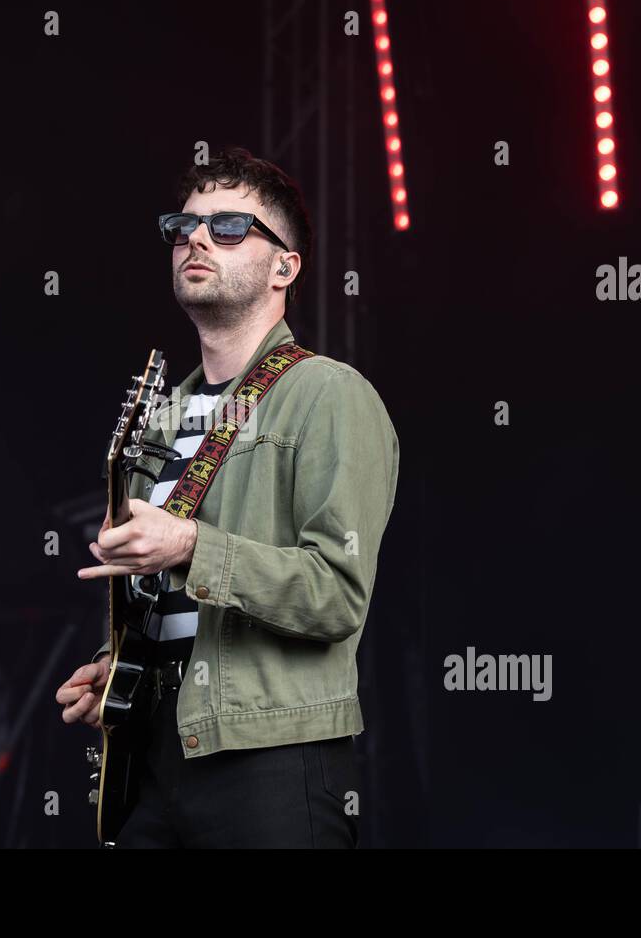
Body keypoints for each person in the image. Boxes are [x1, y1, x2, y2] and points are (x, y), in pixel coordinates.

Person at [55, 145, 399, 847]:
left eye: (232, 226)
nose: (197, 238)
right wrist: (118, 668)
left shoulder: (328, 394)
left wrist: (188, 545)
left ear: (285, 267)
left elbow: (336, 594)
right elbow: (169, 606)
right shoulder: (164, 417)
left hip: (271, 761)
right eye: (183, 227)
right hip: (154, 754)